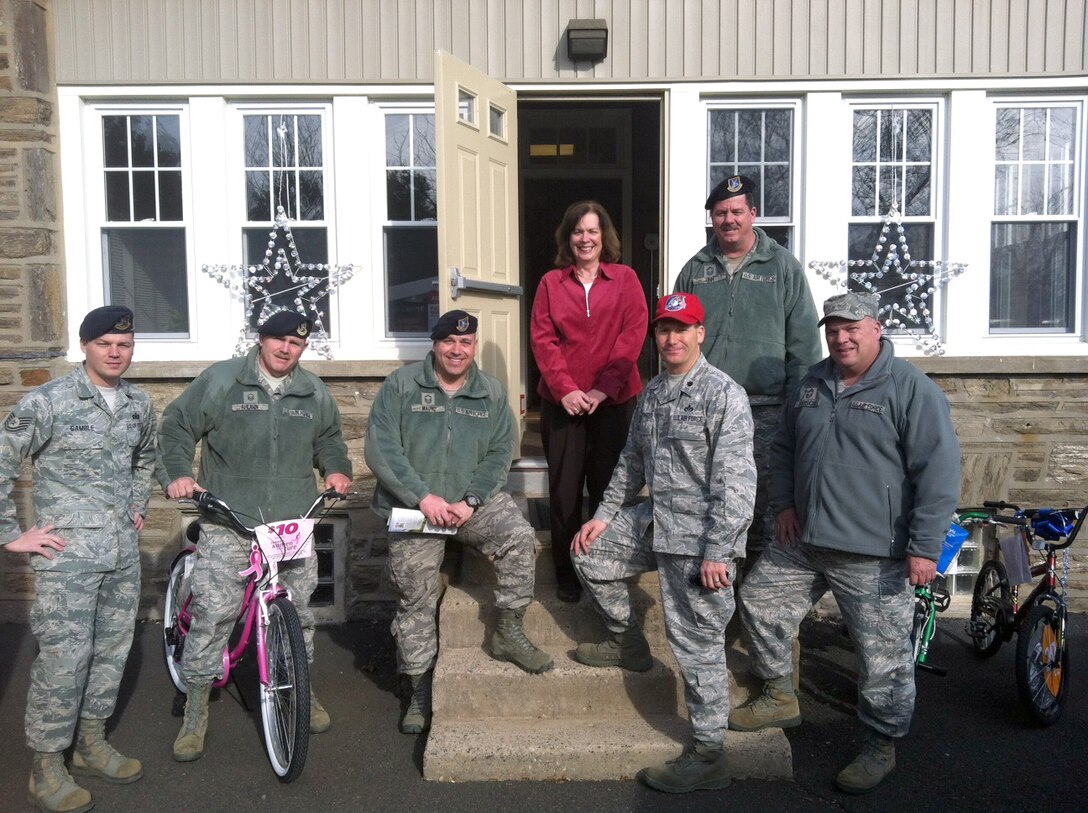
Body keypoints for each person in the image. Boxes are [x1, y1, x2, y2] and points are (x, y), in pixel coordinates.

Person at [728, 292, 961, 794]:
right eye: (832, 328)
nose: (841, 337)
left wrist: (925, 547)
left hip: (873, 551)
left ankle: (881, 742)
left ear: (876, 328)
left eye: (851, 327)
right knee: (758, 601)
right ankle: (779, 693)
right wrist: (784, 505)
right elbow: (784, 446)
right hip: (805, 538)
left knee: (882, 656)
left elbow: (938, 474)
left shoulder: (912, 390)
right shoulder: (812, 383)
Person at [571, 293, 755, 793]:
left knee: (697, 647)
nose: (671, 338)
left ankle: (709, 752)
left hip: (700, 541)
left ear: (700, 332)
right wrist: (604, 516)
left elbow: (736, 483)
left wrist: (721, 549)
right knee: (588, 552)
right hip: (657, 522)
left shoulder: (723, 394)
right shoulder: (653, 392)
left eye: (682, 328)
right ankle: (627, 641)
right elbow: (631, 462)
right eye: (663, 330)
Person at [158, 310, 352, 763]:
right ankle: (195, 705)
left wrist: (337, 469)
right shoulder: (224, 380)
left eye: (297, 344)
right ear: (261, 339)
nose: (287, 349)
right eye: (279, 340)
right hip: (231, 517)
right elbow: (177, 426)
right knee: (216, 612)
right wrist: (179, 474)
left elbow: (329, 440)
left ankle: (299, 688)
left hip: (290, 523)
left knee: (299, 611)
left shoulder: (313, 390)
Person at [365, 309, 554, 735]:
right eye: (449, 341)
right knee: (415, 594)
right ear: (435, 344)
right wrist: (423, 497)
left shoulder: (490, 391)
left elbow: (502, 451)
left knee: (520, 539)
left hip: (469, 504)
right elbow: (383, 450)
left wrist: (471, 500)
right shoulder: (401, 385)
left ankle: (507, 632)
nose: (457, 349)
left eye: (466, 343)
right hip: (415, 506)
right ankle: (417, 687)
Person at [1, 306, 155, 813]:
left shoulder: (138, 403)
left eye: (125, 344)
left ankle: (90, 744)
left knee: (111, 653)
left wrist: (136, 505)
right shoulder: (48, 402)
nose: (116, 352)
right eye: (106, 343)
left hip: (119, 555)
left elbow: (144, 458)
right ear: (85, 346)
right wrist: (10, 535)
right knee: (64, 660)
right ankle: (46, 768)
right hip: (67, 557)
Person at [674, 174, 820, 570]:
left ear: (753, 213)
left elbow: (804, 344)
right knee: (709, 499)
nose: (729, 220)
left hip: (767, 410)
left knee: (762, 504)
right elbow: (676, 339)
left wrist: (799, 407)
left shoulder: (783, 268)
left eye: (737, 211)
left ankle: (758, 598)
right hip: (708, 409)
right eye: (720, 213)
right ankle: (714, 590)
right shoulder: (694, 271)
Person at [530, 200, 648, 602]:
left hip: (613, 403)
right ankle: (566, 571)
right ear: (569, 237)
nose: (586, 238)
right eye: (578, 231)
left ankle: (602, 567)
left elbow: (632, 336)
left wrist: (602, 390)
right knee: (564, 492)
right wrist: (566, 390)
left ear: (605, 237)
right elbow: (543, 341)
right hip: (562, 405)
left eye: (593, 231)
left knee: (607, 487)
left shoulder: (626, 279)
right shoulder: (551, 283)